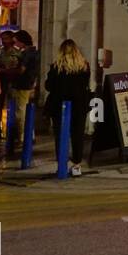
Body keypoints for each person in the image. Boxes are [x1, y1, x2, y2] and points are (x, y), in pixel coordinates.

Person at [43, 39, 91, 178]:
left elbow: (49, 86)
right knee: (78, 135)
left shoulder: (56, 67)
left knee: (60, 135)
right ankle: (76, 165)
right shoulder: (84, 67)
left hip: (59, 105)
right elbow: (85, 85)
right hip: (79, 105)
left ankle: (61, 164)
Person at [5, 29, 39, 158]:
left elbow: (21, 70)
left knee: (21, 112)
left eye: (16, 42)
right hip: (29, 83)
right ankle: (30, 135)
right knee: (25, 110)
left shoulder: (26, 54)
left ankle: (23, 137)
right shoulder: (34, 52)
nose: (15, 45)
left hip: (22, 84)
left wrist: (7, 71)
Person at [0, 29, 20, 141]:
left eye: (6, 38)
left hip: (13, 83)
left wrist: (3, 70)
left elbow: (19, 70)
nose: (4, 41)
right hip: (0, 83)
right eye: (3, 39)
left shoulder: (18, 54)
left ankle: (13, 130)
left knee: (13, 107)